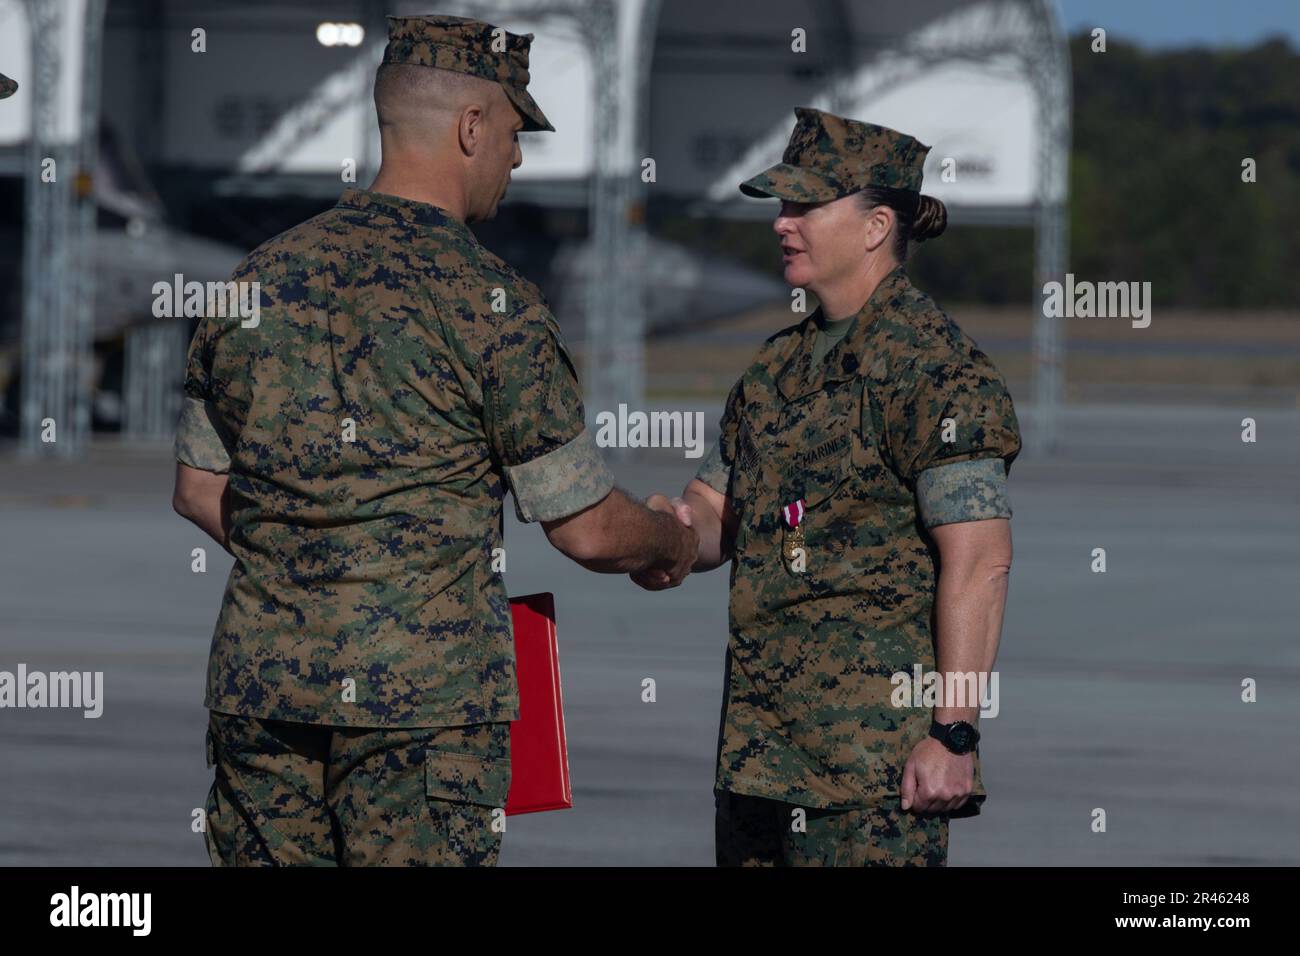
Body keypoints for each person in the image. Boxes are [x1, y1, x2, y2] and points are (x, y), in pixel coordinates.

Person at [171, 13, 696, 867]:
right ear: (470, 128)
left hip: (262, 695)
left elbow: (198, 489)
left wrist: (315, 568)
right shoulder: (493, 305)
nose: (517, 161)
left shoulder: (253, 282)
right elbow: (588, 529)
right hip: (423, 718)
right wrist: (671, 540)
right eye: (515, 136)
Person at [636, 107, 1021, 866]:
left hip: (871, 777)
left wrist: (953, 734)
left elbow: (980, 562)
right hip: (760, 759)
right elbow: (721, 511)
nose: (784, 223)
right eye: (782, 205)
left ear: (877, 225)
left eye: (806, 206)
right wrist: (669, 534)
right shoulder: (776, 369)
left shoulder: (936, 372)